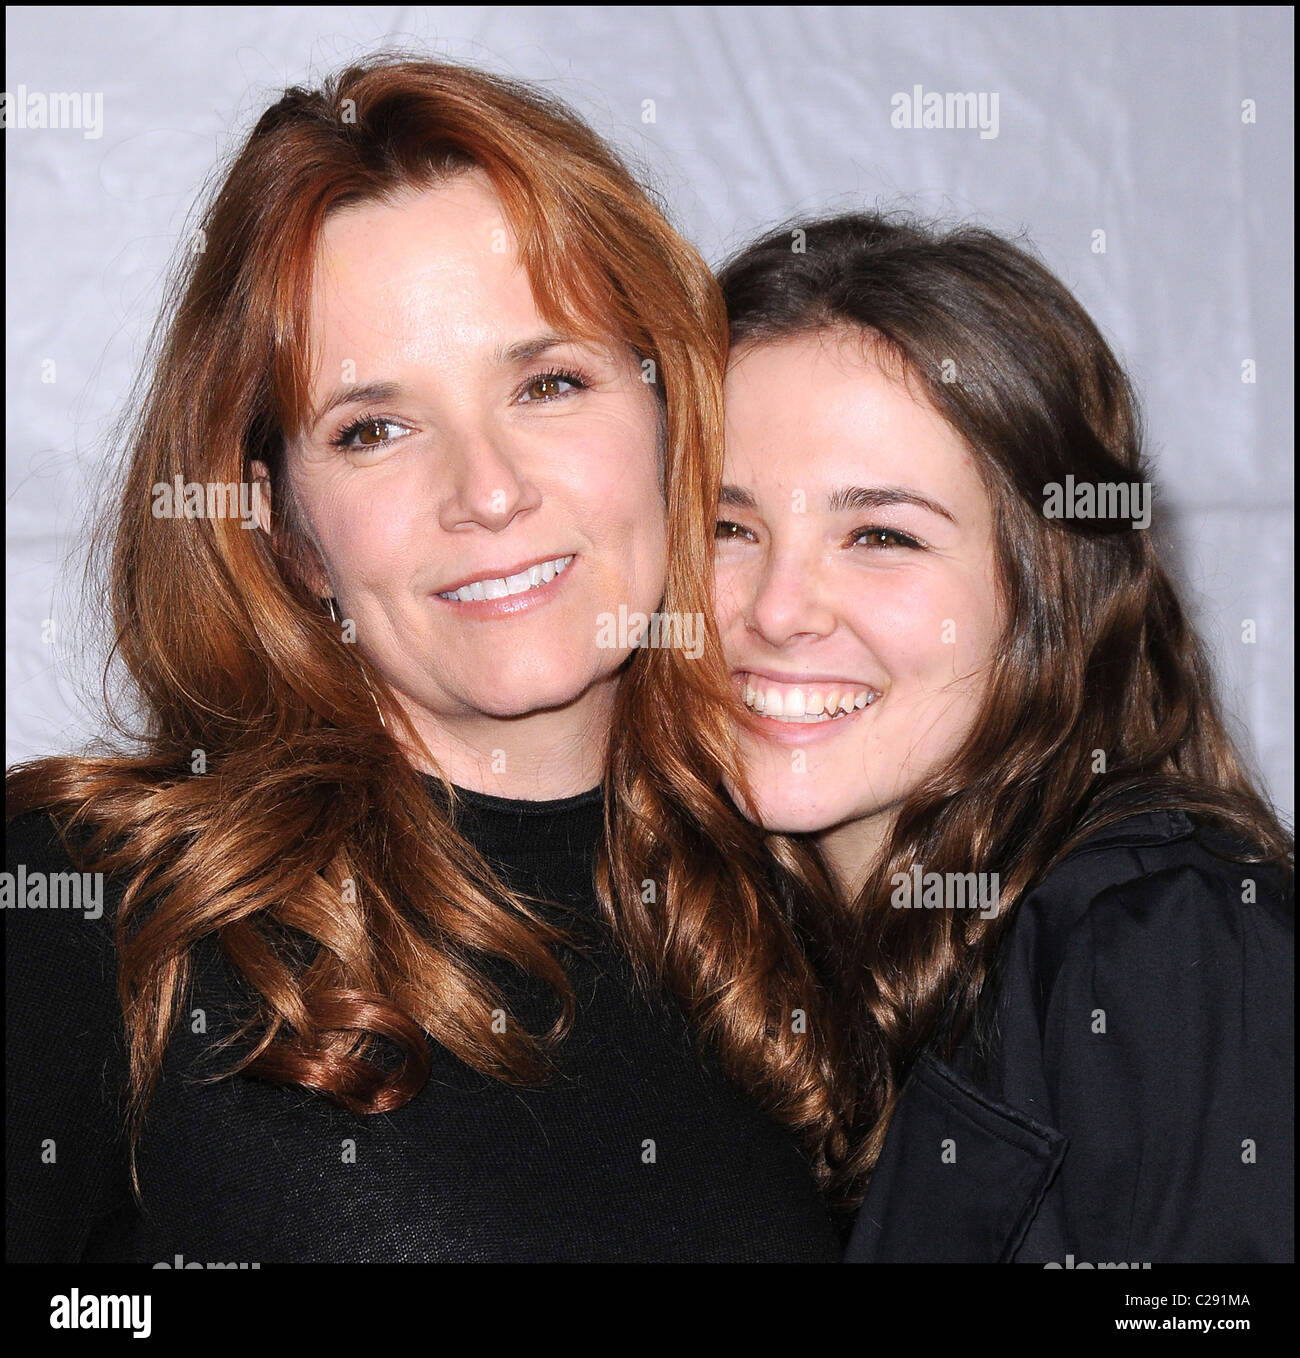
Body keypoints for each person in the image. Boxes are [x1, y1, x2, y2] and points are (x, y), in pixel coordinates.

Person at [4, 57, 853, 1264]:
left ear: (673, 415)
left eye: (549, 381)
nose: (489, 490)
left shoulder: (802, 911)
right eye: (374, 429)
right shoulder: (94, 913)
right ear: (283, 525)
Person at [712, 211, 1294, 1262]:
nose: (777, 607)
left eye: (880, 534)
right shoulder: (715, 943)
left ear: (1046, 588)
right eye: (726, 526)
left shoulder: (1162, 939)